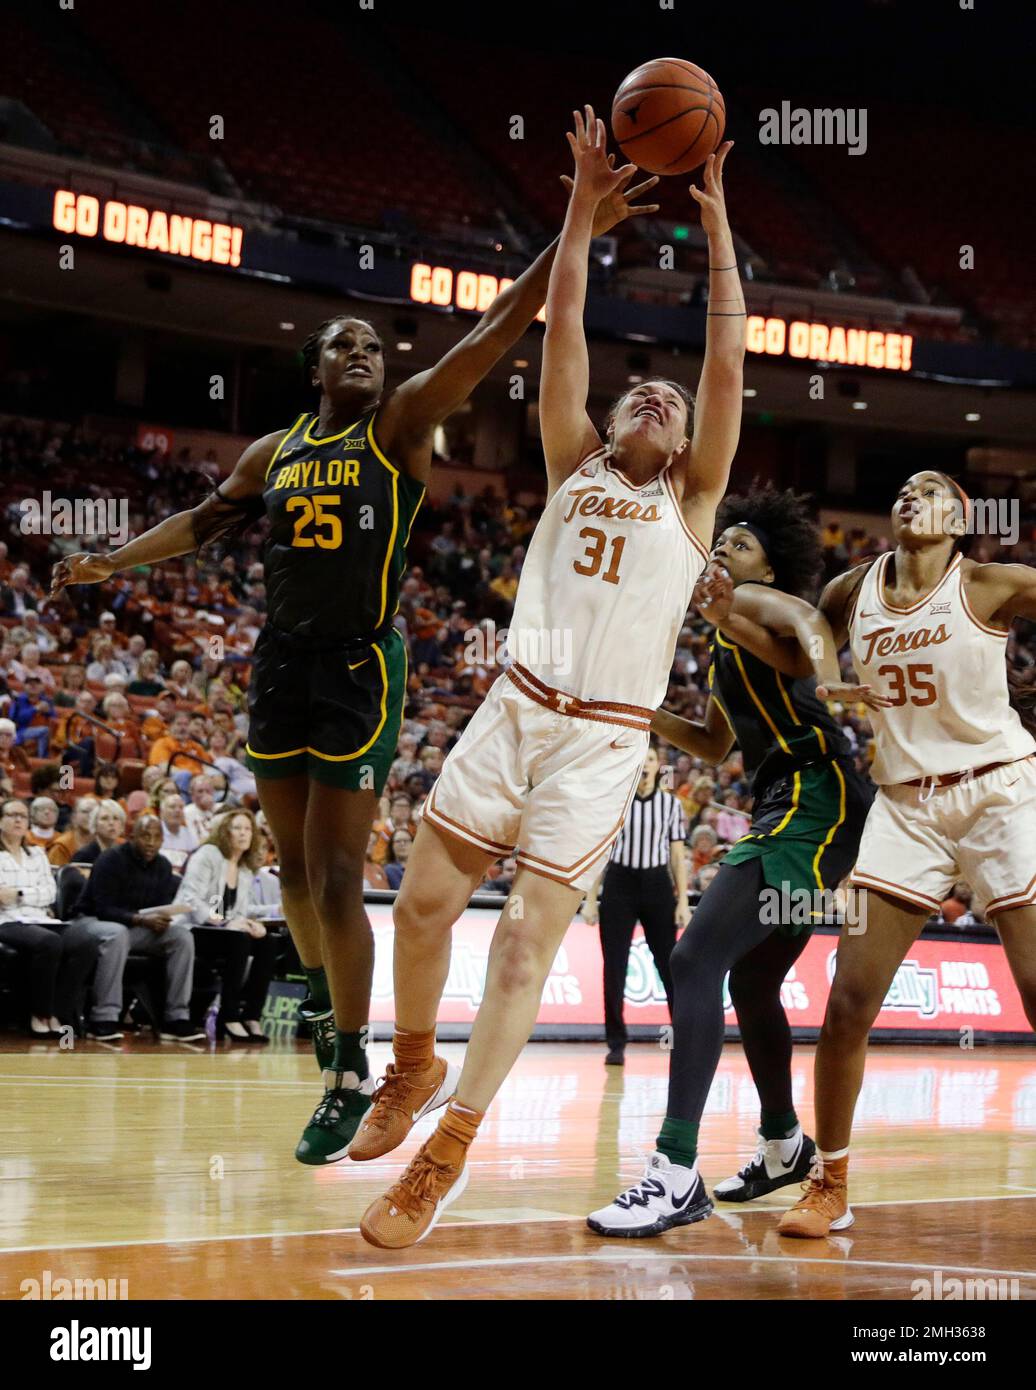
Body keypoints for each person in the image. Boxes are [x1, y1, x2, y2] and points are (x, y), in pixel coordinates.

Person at [52, 121, 657, 1165]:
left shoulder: (401, 425)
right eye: (346, 345)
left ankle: (351, 1068)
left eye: (375, 346)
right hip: (280, 663)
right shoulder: (273, 451)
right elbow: (199, 521)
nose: (366, 354)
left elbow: (491, 332)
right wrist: (113, 561)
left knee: (337, 876)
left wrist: (571, 232)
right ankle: (337, 1036)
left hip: (359, 668)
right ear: (315, 368)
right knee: (293, 872)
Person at [353, 111, 742, 1249]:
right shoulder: (572, 460)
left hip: (604, 740)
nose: (659, 398)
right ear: (603, 420)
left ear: (691, 442)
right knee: (422, 908)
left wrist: (719, 229)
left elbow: (725, 361)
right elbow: (562, 318)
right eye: (640, 394)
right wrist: (578, 207)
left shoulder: (693, 499)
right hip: (516, 704)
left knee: (525, 938)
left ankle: (449, 1149)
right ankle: (412, 1062)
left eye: (673, 403)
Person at [587, 483, 881, 1237]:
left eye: (741, 544)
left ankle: (675, 1171)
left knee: (692, 961)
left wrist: (832, 678)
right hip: (795, 806)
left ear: (769, 568)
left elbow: (808, 628)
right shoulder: (725, 639)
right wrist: (637, 711)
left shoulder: (762, 603)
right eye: (720, 542)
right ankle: (784, 1144)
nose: (723, 549)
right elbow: (714, 745)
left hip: (816, 797)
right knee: (750, 978)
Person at [776, 470, 1036, 1237]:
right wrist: (730, 612)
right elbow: (796, 645)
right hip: (905, 806)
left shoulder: (987, 584)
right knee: (848, 998)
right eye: (903, 490)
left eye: (930, 489)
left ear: (960, 518)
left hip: (998, 793)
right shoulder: (852, 590)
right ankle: (829, 1183)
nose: (910, 495)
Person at [581, 743, 688, 1066]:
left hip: (657, 886)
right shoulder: (616, 801)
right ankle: (616, 1043)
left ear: (658, 767)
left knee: (669, 965)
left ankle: (681, 1038)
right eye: (643, 759)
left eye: (652, 759)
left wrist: (682, 900)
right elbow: (600, 853)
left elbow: (677, 857)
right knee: (614, 966)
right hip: (619, 884)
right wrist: (590, 899)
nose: (646, 765)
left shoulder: (671, 805)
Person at [72, 814, 204, 1043]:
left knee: (182, 937)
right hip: (89, 923)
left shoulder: (163, 866)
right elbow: (103, 908)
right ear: (131, 836)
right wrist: (141, 920)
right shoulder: (110, 859)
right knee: (117, 933)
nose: (151, 842)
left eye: (157, 837)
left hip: (133, 928)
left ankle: (176, 1018)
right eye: (145, 836)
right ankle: (103, 1018)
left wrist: (162, 919)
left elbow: (158, 907)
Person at [0, 797, 100, 1037]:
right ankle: (40, 1013)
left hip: (40, 918)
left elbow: (49, 893)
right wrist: (29, 895)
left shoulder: (37, 854)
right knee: (49, 942)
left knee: (86, 941)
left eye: (23, 816)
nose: (18, 820)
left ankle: (58, 1012)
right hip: (7, 920)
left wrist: (19, 894)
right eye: (12, 815)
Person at [174, 811, 275, 1043]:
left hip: (221, 931)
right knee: (239, 940)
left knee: (268, 942)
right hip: (192, 928)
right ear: (224, 832)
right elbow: (191, 900)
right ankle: (228, 1015)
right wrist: (227, 922)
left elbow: (238, 911)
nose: (243, 834)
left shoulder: (244, 868)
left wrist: (253, 924)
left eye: (248, 829)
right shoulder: (208, 855)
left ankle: (251, 1015)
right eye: (237, 828)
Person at [47, 795, 100, 866]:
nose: (90, 815)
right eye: (85, 811)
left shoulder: (106, 842)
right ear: (74, 817)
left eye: (94, 812)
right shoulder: (61, 847)